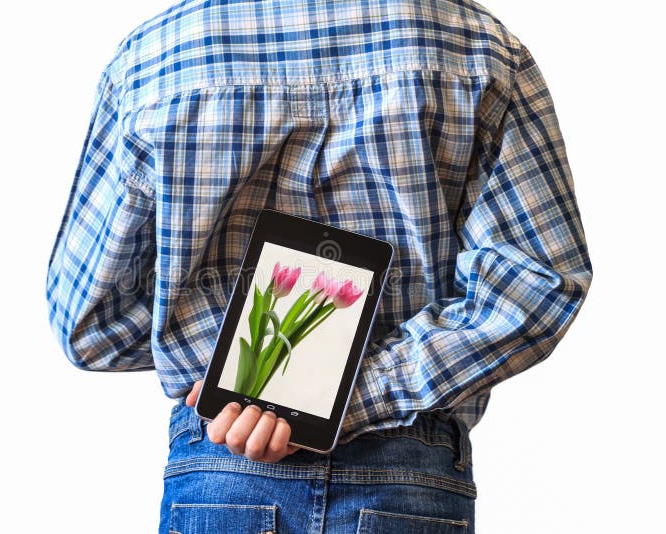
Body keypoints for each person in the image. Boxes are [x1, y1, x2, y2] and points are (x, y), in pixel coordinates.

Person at [45, 0, 593, 532]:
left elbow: (90, 324)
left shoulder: (154, 60)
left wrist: (237, 374)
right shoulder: (480, 49)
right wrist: (361, 393)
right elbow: (535, 284)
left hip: (224, 458)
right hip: (408, 468)